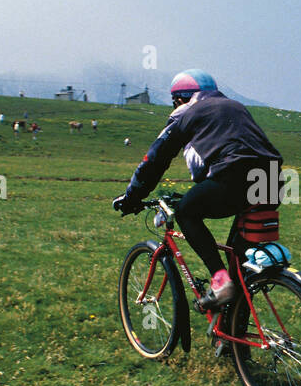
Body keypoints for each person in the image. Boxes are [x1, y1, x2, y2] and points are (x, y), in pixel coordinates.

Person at [113, 69, 282, 310]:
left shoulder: (187, 112)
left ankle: (219, 282)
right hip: (271, 180)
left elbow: (155, 159)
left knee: (185, 212)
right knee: (241, 268)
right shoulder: (234, 106)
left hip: (234, 176)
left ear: (180, 99)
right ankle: (233, 337)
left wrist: (132, 197)